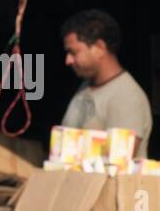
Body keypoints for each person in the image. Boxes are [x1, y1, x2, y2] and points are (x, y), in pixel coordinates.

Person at [60, 9, 153, 158]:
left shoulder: (126, 97)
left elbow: (119, 162)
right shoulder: (86, 86)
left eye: (74, 52)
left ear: (99, 48)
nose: (68, 60)